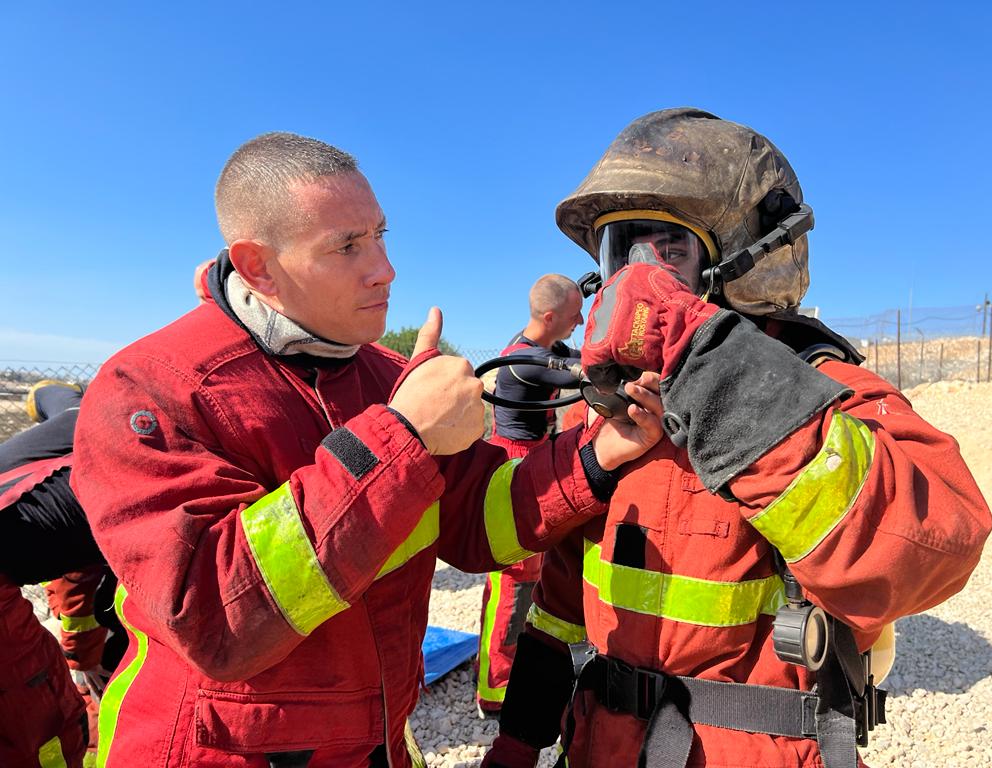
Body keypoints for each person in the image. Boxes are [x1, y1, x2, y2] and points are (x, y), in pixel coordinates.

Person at [70, 131, 666, 768]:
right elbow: (215, 618)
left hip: (377, 742)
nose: (385, 268)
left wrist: (600, 452)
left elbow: (478, 518)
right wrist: (403, 437)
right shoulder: (152, 388)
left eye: (380, 235)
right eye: (346, 245)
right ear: (258, 266)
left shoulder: (385, 376)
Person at [482, 108, 992, 768]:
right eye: (623, 253)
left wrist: (720, 371)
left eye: (670, 251)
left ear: (750, 258)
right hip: (602, 746)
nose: (640, 278)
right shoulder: (610, 410)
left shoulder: (820, 389)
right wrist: (519, 741)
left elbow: (935, 544)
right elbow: (557, 603)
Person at [476, 274, 584, 716]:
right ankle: (495, 690)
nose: (580, 321)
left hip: (528, 457)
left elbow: (569, 352)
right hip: (515, 464)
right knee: (514, 581)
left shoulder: (535, 346)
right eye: (575, 314)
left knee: (526, 575)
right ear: (550, 317)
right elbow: (588, 370)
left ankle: (507, 667)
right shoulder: (526, 360)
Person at [0, 381, 120, 768]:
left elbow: (46, 391)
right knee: (31, 730)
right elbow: (81, 577)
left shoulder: (79, 410)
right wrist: (83, 654)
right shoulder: (153, 483)